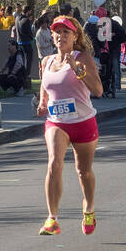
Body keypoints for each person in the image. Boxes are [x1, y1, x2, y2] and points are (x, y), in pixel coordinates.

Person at [36, 15, 102, 236]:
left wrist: (77, 69)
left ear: (75, 36)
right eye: (57, 32)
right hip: (57, 122)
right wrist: (43, 103)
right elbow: (45, 86)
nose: (61, 36)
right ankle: (52, 219)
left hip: (83, 123)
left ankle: (89, 208)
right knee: (54, 163)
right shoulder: (46, 61)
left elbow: (98, 90)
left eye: (66, 32)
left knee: (83, 172)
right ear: (52, 35)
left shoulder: (82, 58)